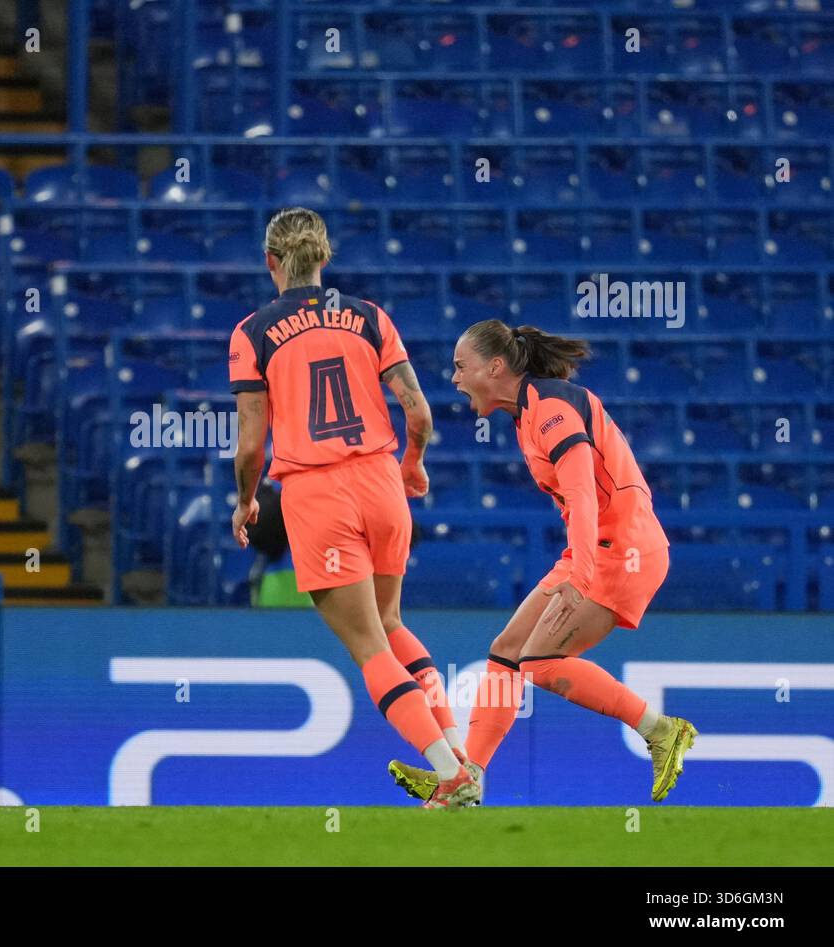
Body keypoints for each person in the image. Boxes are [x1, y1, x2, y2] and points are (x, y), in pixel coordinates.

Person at [229, 207, 479, 809]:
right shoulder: (369, 317)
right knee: (391, 625)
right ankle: (458, 753)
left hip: (318, 492)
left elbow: (250, 442)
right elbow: (418, 411)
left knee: (368, 647)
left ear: (271, 263)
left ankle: (450, 775)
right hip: (382, 483)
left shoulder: (252, 333)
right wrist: (412, 463)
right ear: (325, 259)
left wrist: (244, 502)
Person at [387, 319, 697, 804]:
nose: (454, 379)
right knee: (506, 652)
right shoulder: (529, 412)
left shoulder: (551, 408)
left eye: (460, 367)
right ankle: (466, 776)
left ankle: (661, 730)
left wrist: (582, 573)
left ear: (494, 367)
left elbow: (581, 494)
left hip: (622, 550)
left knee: (540, 661)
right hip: (596, 547)